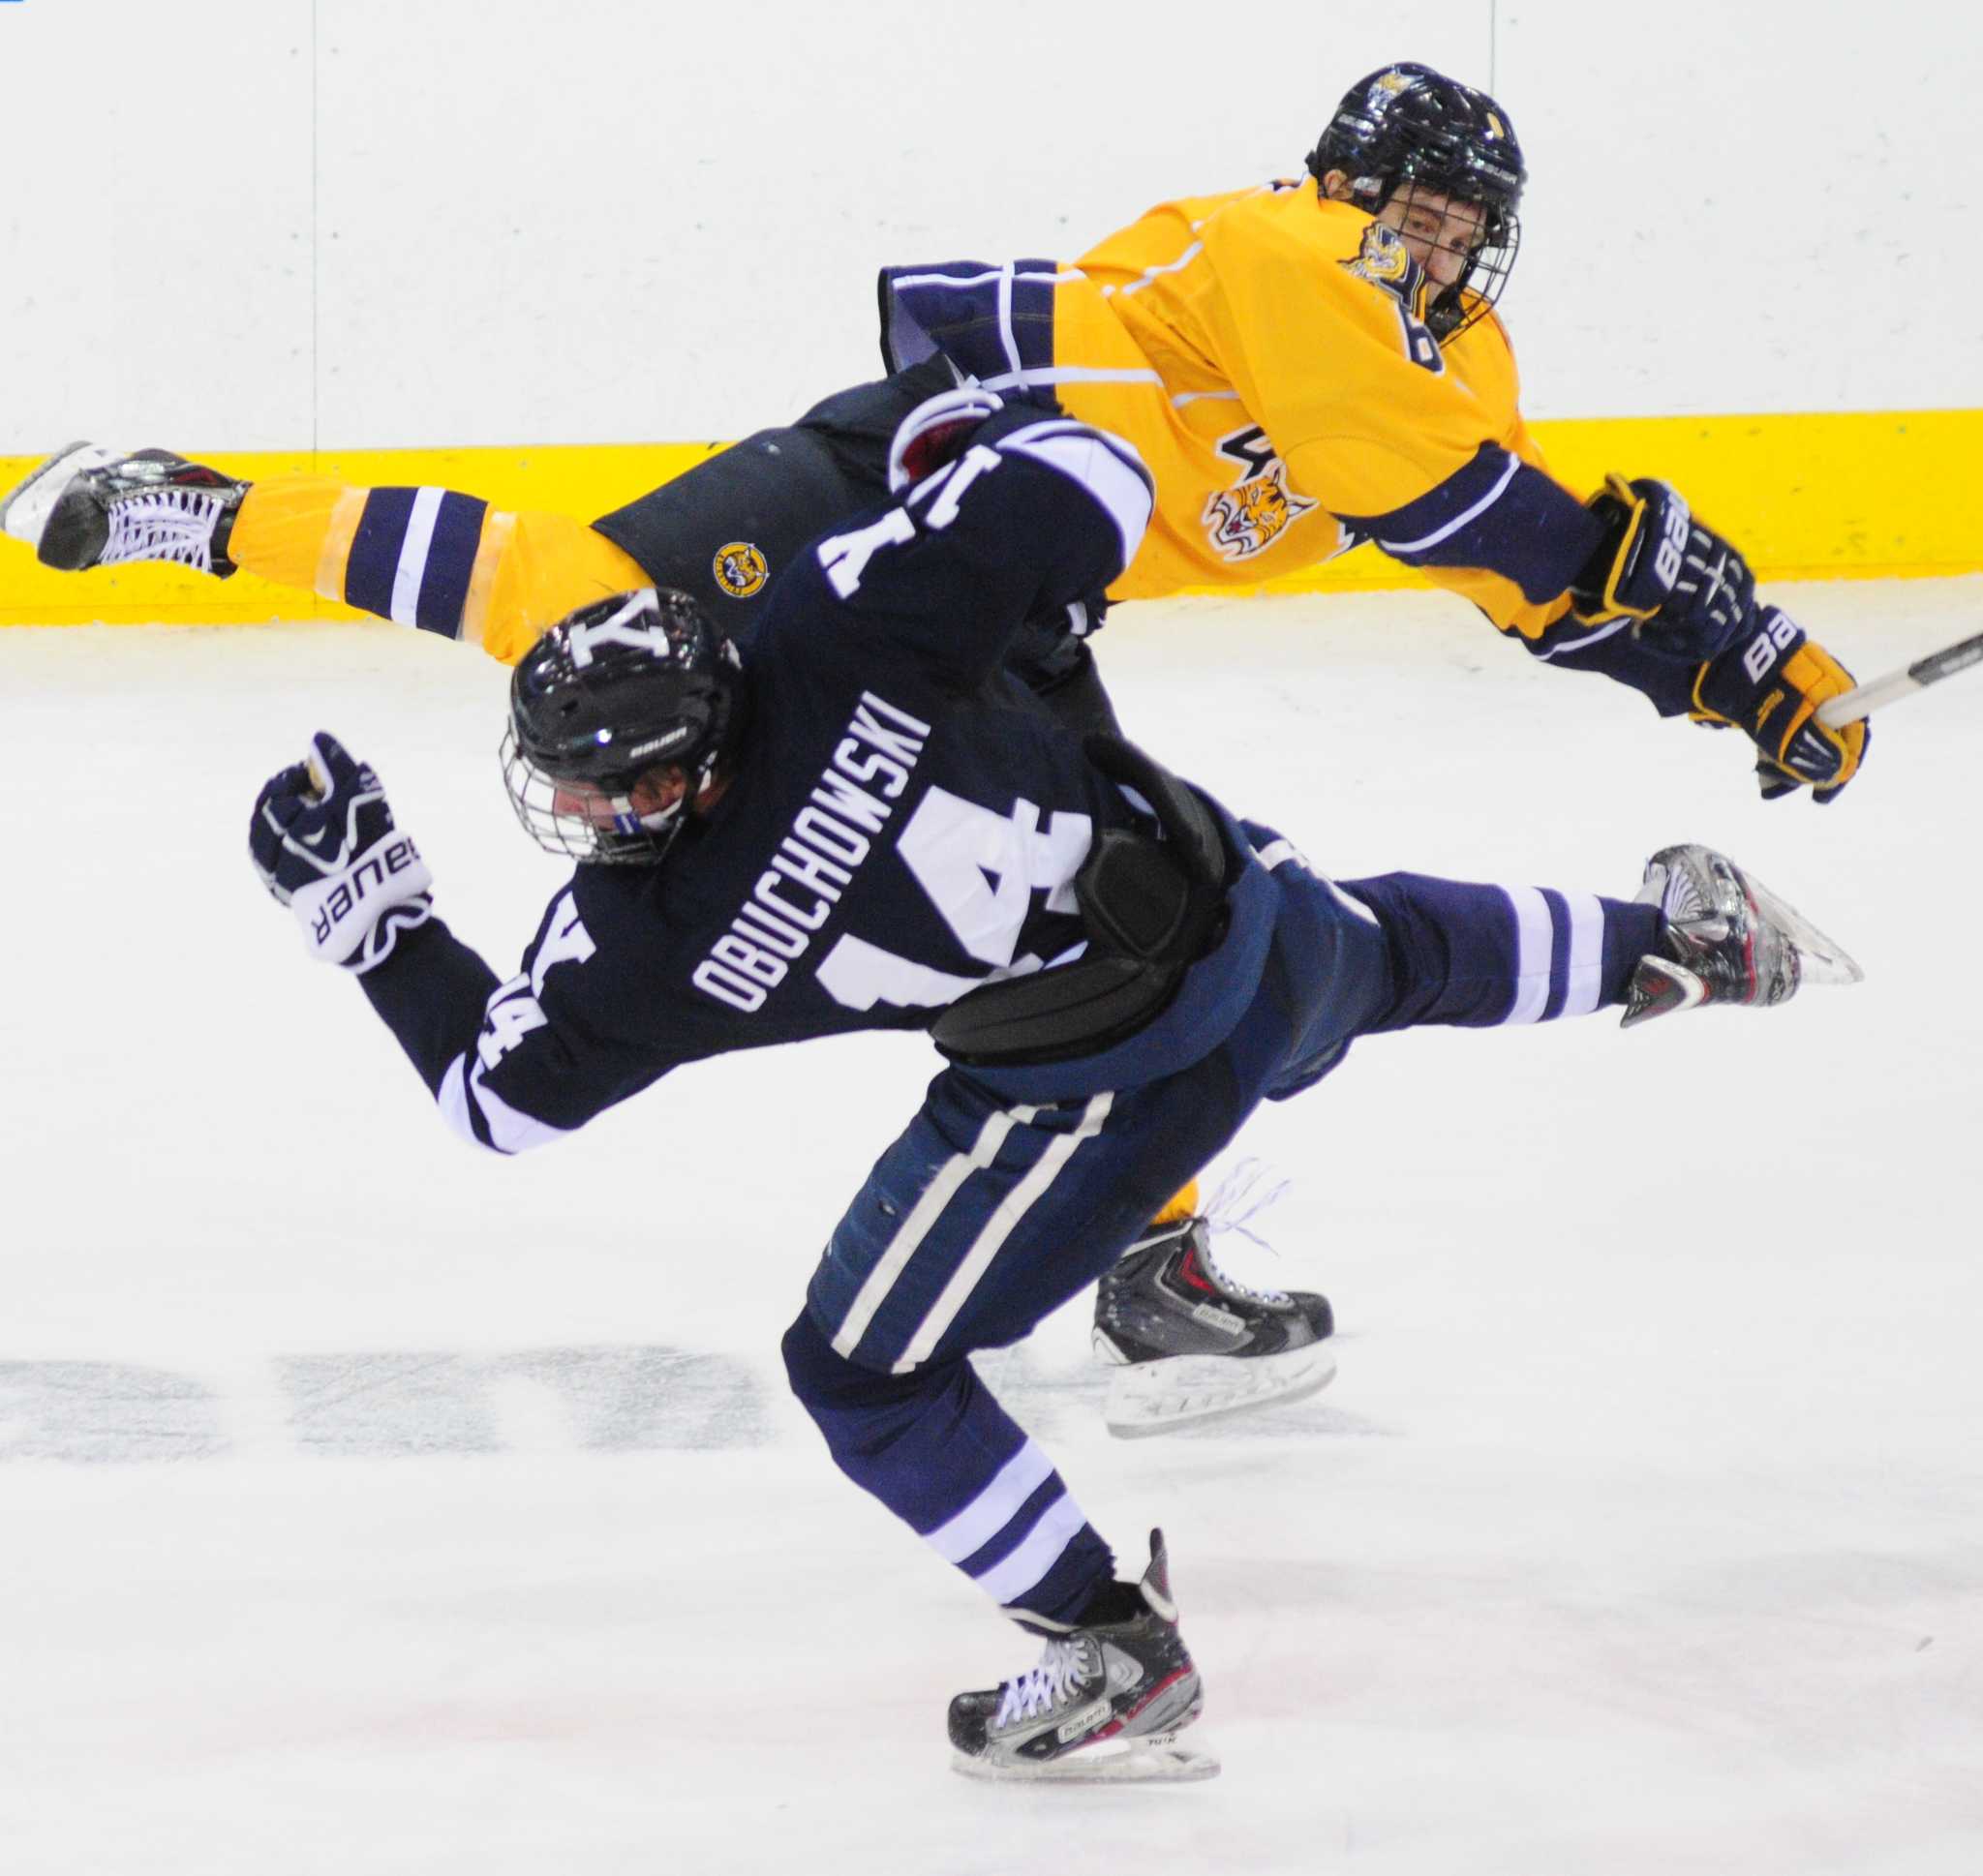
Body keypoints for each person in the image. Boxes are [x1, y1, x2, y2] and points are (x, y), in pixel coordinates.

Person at [0, 59, 1870, 1427]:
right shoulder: (1297, 261)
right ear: (1335, 189)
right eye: (1406, 203)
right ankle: (199, 511)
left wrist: (1726, 662)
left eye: (1460, 223)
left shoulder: (1453, 371)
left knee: (1122, 931)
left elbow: (1511, 554)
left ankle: (1145, 1247)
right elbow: (1500, 528)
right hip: (902, 489)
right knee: (559, 589)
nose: (1425, 240)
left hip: (1018, 607)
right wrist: (1736, 645)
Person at [235, 398, 1853, 1779]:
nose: (578, 814)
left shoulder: (650, 937)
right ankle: (1689, 945)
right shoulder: (828, 623)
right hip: (1231, 914)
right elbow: (1098, 474)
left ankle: (1109, 1646)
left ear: (672, 780)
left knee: (862, 1375)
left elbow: (495, 1100)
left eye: (595, 789)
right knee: (1394, 950)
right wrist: (960, 463)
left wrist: (374, 916)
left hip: (1097, 1092)